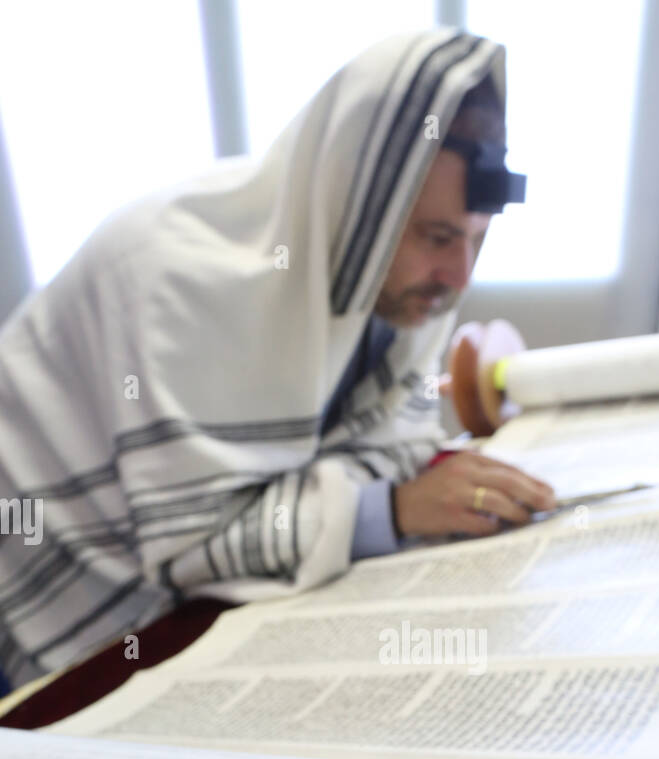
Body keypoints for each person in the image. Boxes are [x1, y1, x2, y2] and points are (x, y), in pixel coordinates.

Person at [0, 28, 553, 691]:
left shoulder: (401, 286)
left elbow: (389, 445)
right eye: (438, 237)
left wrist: (386, 493)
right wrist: (395, 508)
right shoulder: (174, 274)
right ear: (359, 207)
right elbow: (192, 547)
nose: (458, 277)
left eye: (476, 240)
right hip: (58, 594)